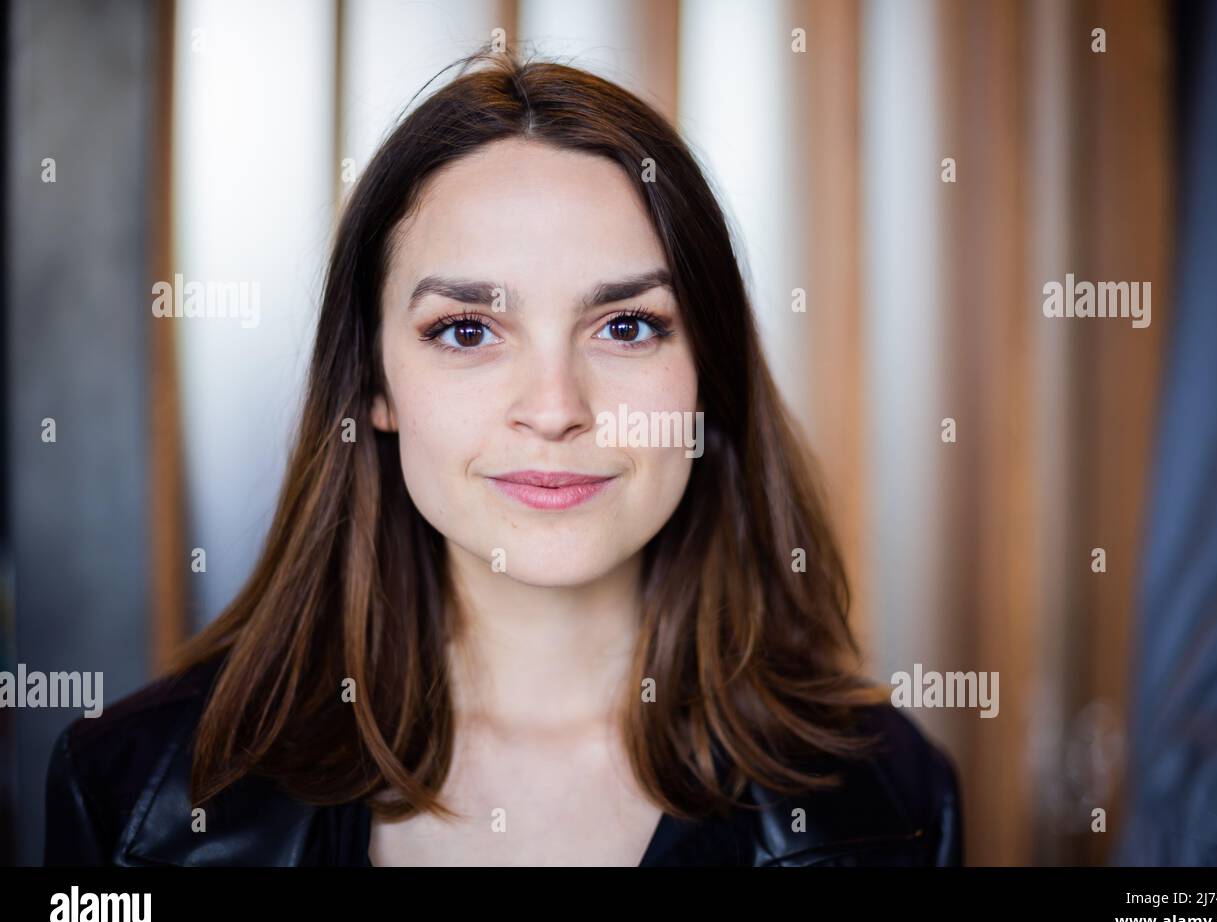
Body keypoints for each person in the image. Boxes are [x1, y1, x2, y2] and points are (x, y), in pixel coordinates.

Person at [44, 46, 962, 867]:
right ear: (375, 384)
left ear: (706, 376)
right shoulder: (137, 800)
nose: (555, 410)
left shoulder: (891, 804)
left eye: (627, 326)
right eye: (468, 330)